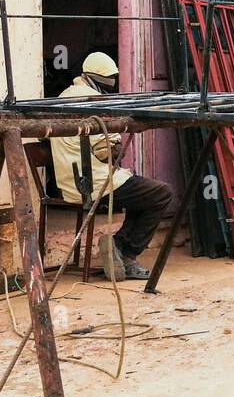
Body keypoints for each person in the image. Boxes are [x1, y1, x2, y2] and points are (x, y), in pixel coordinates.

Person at [51, 52, 172, 280]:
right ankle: (127, 253)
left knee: (143, 192)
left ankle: (119, 247)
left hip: (69, 184)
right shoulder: (94, 101)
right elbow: (105, 153)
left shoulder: (63, 95)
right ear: (100, 80)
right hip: (95, 184)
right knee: (161, 193)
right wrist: (120, 137)